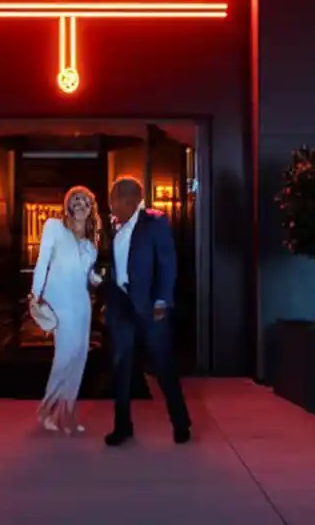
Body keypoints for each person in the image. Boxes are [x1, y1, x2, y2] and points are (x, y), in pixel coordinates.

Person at [103, 176, 192, 446]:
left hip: (151, 305)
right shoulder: (112, 226)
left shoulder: (154, 223)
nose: (112, 204)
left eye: (114, 199)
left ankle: (180, 423)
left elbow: (167, 263)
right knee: (121, 368)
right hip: (121, 306)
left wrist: (162, 301)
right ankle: (122, 426)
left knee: (164, 366)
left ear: (129, 200)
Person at [29, 185, 102, 435]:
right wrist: (35, 294)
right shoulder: (54, 227)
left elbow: (86, 274)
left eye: (86, 201)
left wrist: (97, 279)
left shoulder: (91, 241)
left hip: (81, 304)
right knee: (64, 358)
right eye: (76, 200)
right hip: (60, 303)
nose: (82, 204)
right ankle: (46, 411)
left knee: (80, 358)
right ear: (68, 205)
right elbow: (42, 261)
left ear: (91, 209)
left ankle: (67, 415)